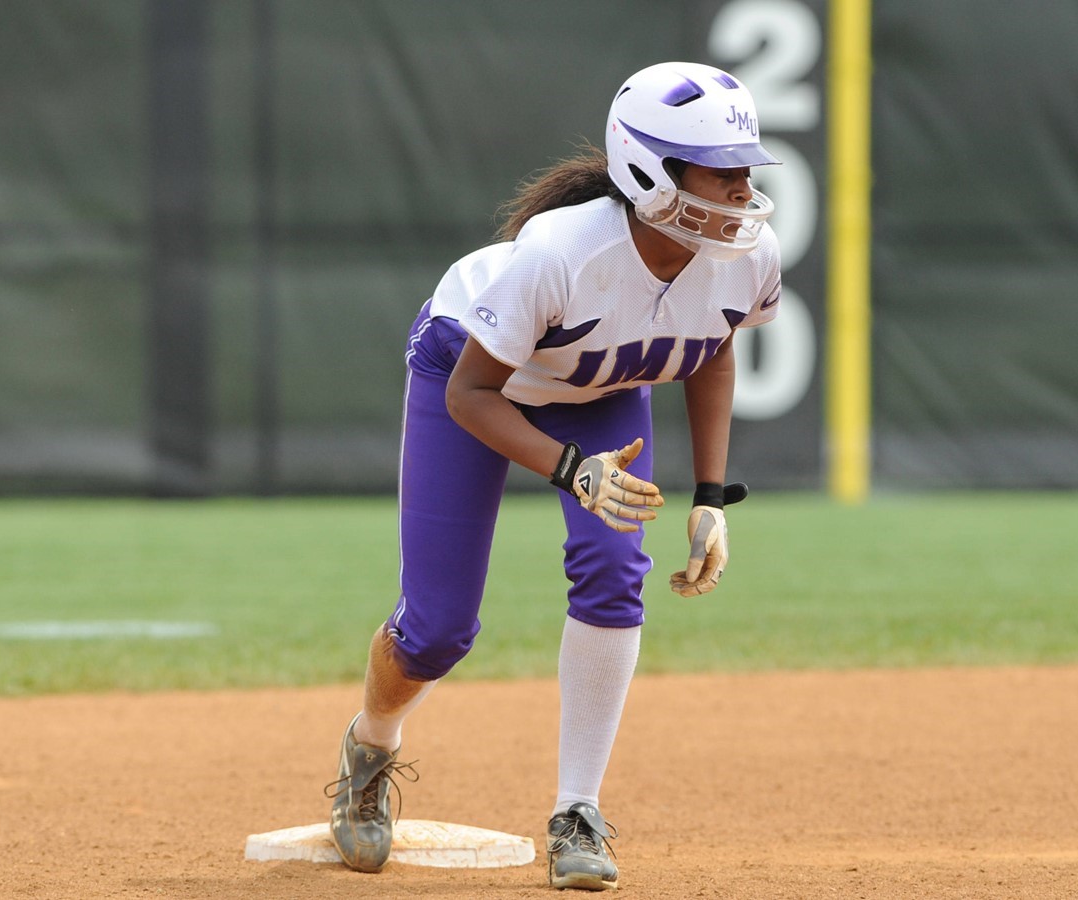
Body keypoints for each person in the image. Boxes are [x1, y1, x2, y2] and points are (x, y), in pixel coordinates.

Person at [324, 61, 781, 891]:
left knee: (614, 575)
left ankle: (579, 809)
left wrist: (711, 497)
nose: (743, 191)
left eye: (747, 169)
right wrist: (575, 472)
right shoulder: (564, 252)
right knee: (437, 631)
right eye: (722, 169)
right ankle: (371, 749)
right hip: (475, 375)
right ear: (650, 171)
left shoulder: (745, 254)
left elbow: (712, 349)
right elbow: (472, 392)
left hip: (600, 385)